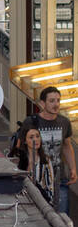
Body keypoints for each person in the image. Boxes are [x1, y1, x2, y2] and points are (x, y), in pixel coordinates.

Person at [25, 86, 78, 215]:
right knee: (38, 214)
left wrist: (73, 168)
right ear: (42, 103)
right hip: (37, 177)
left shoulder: (64, 122)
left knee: (62, 216)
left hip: (59, 178)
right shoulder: (31, 122)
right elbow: (20, 147)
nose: (56, 104)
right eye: (52, 101)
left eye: (58, 100)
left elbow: (66, 145)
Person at [9, 124, 57, 207]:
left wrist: (48, 203)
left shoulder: (45, 160)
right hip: (20, 201)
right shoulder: (18, 159)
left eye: (37, 136)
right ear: (25, 141)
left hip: (40, 202)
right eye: (31, 137)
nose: (35, 139)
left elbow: (50, 186)